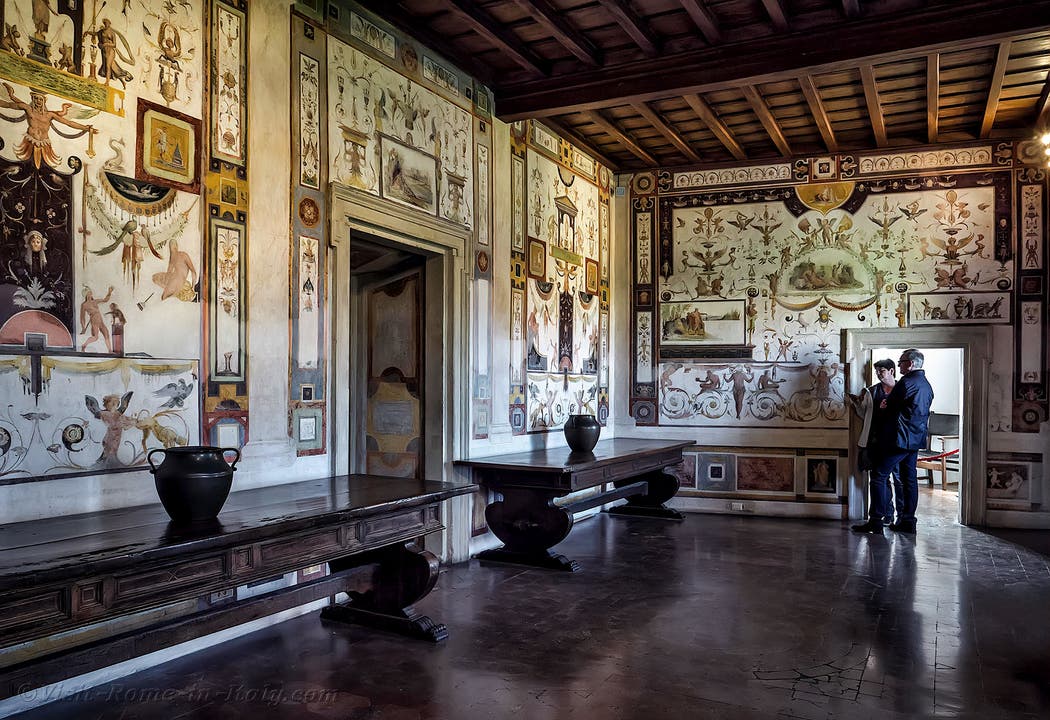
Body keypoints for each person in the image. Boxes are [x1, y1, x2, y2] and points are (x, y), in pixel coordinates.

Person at [852, 349, 934, 534]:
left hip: (899, 440)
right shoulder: (926, 385)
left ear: (911, 364)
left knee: (878, 476)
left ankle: (876, 521)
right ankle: (908, 521)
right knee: (909, 480)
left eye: (901, 362)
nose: (899, 365)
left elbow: (889, 409)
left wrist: (884, 406)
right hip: (915, 440)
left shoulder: (906, 383)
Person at [849, 359, 896, 523]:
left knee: (896, 480)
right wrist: (857, 404)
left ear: (891, 371)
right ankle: (886, 514)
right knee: (880, 479)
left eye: (881, 370)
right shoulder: (871, 391)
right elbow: (864, 415)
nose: (878, 374)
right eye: (876, 371)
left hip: (895, 443)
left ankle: (893, 515)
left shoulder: (900, 389)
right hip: (874, 441)